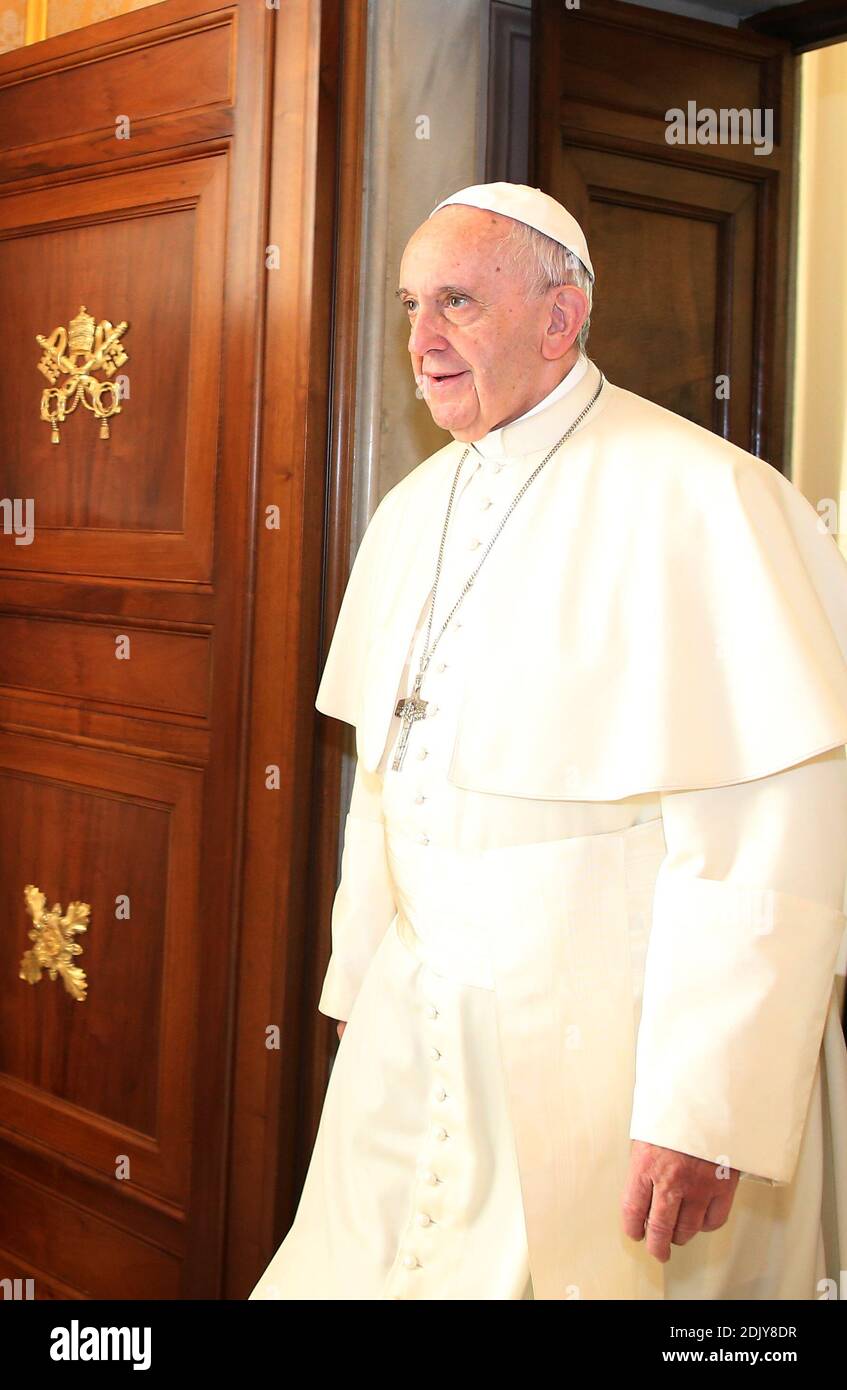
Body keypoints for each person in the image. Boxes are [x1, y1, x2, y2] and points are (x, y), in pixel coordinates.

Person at [249, 181, 847, 1300]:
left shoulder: (707, 496)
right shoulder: (411, 510)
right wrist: (359, 989)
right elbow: (382, 788)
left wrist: (705, 1105)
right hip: (419, 1031)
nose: (421, 339)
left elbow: (771, 837)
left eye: (458, 303)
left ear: (560, 318)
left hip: (619, 1053)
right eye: (410, 304)